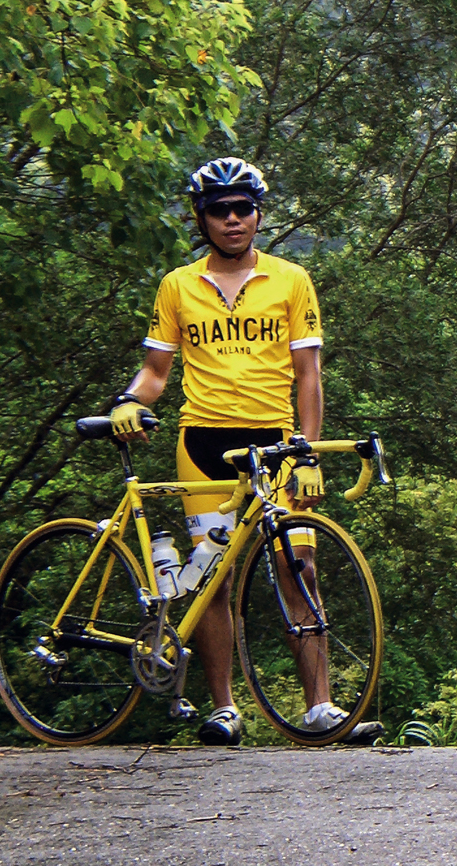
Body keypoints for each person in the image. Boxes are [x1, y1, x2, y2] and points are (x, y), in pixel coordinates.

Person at [106, 157, 379, 746]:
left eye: (243, 209)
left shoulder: (291, 279)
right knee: (212, 575)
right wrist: (128, 400)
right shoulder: (178, 285)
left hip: (276, 445)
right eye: (218, 210)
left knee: (297, 565)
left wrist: (306, 453)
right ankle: (225, 708)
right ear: (202, 219)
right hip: (203, 445)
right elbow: (156, 372)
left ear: (258, 215)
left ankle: (320, 708)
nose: (232, 220)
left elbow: (309, 375)